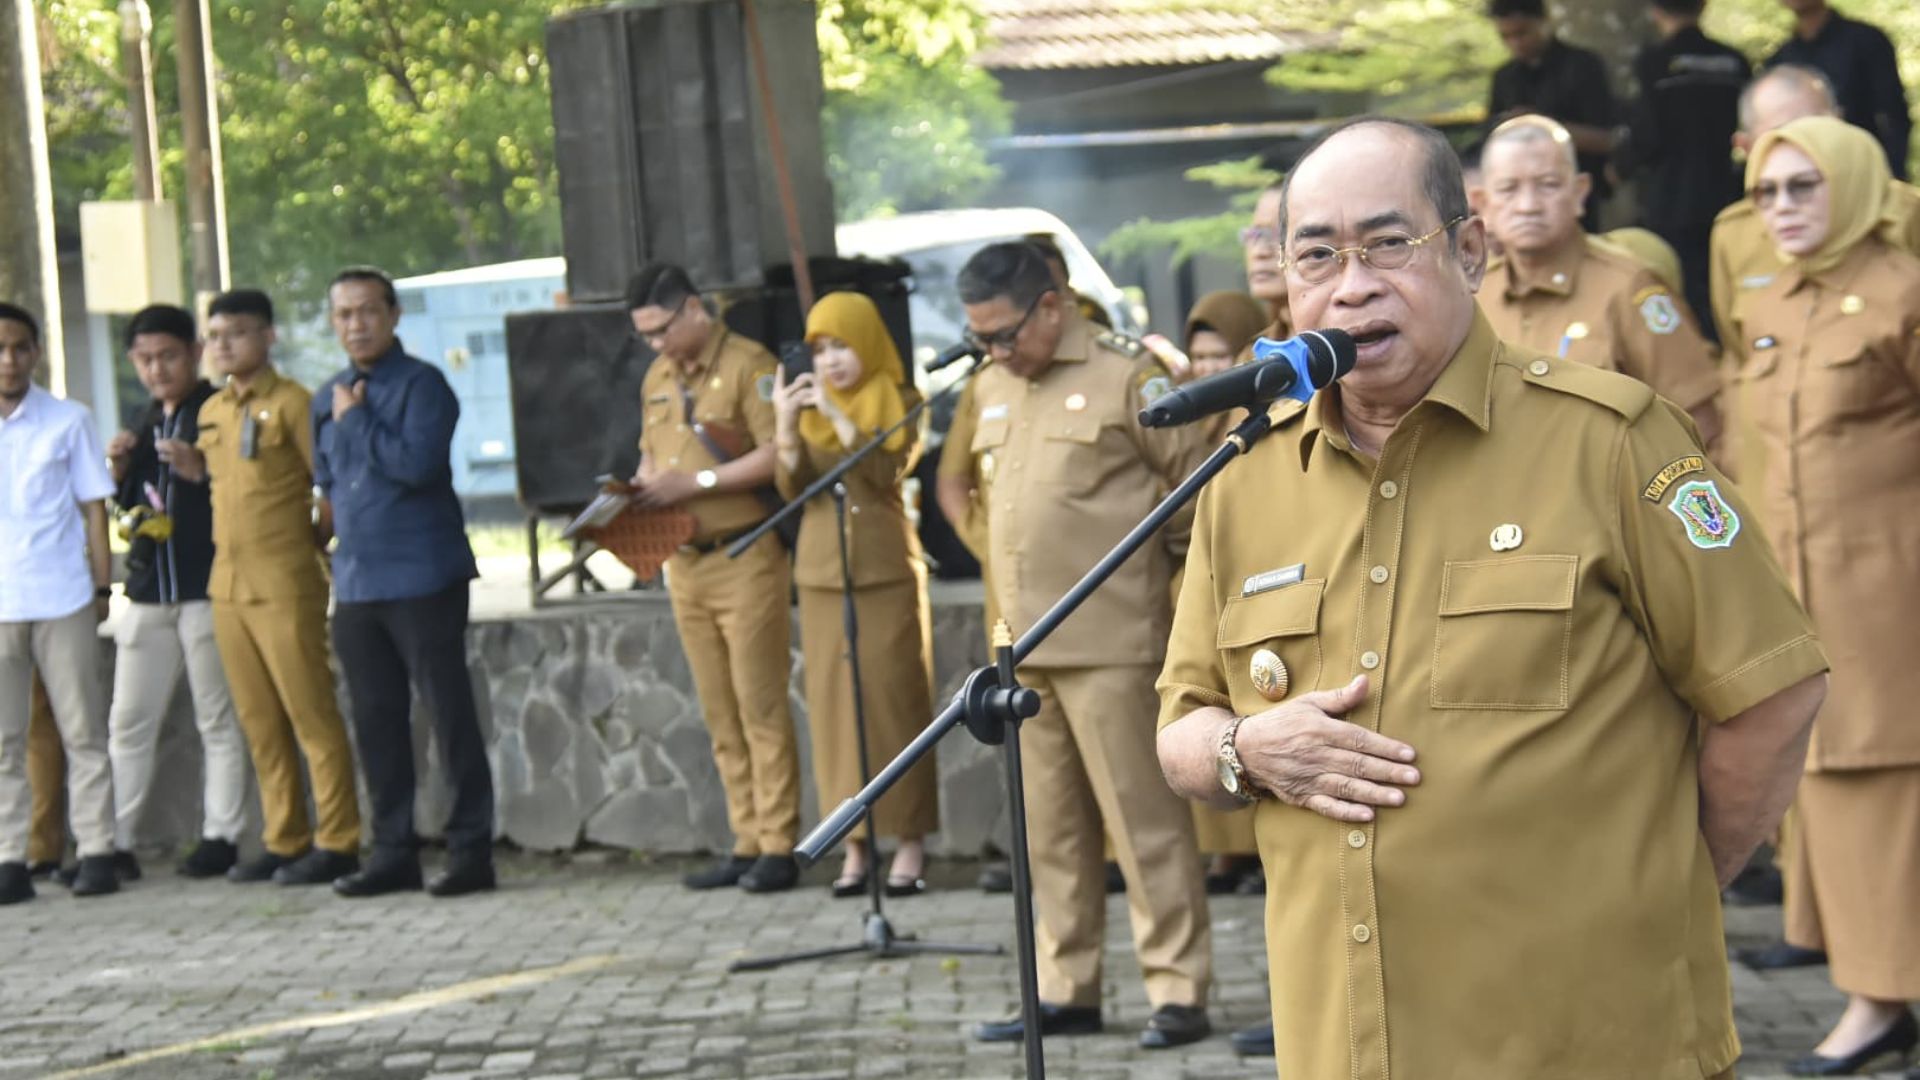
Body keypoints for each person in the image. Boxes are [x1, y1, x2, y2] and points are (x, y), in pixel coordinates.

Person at [1155, 115, 1831, 1080]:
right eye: (1317, 255)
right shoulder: (1244, 481)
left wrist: (1668, 884)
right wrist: (1245, 749)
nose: (1352, 285)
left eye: (1389, 243)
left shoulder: (1611, 440)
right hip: (1350, 1047)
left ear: (1469, 252)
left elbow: (1772, 688)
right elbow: (1181, 726)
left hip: (1593, 1046)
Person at [941, 242, 1216, 1050]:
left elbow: (1198, 491)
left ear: (1052, 305)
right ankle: (1067, 988)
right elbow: (977, 493)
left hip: (1114, 644)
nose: (994, 350)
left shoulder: (1127, 373)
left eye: (1004, 332)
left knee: (1145, 826)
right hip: (1021, 651)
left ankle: (1178, 989)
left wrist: (1169, 598)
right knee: (1050, 833)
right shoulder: (989, 385)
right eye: (980, 336)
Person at [1733, 115, 1920, 1077]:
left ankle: (1879, 1004)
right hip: (1799, 592)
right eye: (1767, 192)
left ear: (1854, 187)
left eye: (1804, 187)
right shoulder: (1772, 298)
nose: (1782, 208)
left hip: (1892, 595)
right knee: (1829, 788)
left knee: (1878, 786)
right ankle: (1874, 989)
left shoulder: (1905, 292)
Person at [313, 267, 495, 899]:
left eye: (368, 311)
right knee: (376, 720)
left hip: (422, 574)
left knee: (448, 715)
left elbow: (418, 466)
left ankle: (471, 851)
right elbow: (328, 485)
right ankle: (393, 851)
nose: (356, 324)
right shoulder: (328, 395)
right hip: (357, 582)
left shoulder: (424, 385)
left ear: (393, 316)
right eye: (344, 314)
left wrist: (357, 423)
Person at [628, 262, 801, 895]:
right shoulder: (657, 377)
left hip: (744, 555)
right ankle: (745, 839)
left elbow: (778, 454)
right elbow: (650, 454)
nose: (656, 344)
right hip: (684, 562)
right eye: (645, 335)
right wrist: (640, 486)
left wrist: (695, 483)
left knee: (760, 704)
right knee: (719, 710)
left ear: (695, 309)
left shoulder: (749, 364)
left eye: (662, 329)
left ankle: (779, 844)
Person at [771, 291, 937, 898]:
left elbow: (884, 472)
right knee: (835, 713)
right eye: (820, 350)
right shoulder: (805, 407)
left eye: (842, 346)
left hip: (884, 570)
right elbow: (791, 488)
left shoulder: (902, 400)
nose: (831, 361)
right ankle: (854, 845)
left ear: (867, 341)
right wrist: (786, 424)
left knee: (896, 706)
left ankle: (910, 839)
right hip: (821, 576)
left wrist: (839, 418)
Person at [198, 289, 364, 886]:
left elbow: (330, 482)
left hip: (286, 580)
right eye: (215, 336)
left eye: (237, 333)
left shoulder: (295, 402)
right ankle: (284, 838)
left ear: (268, 337)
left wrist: (318, 539)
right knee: (259, 721)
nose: (224, 346)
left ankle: (338, 840)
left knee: (310, 712)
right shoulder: (213, 410)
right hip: (228, 584)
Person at [95, 304, 248, 881]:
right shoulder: (140, 421)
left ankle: (221, 836)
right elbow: (129, 508)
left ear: (194, 353)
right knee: (128, 722)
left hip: (206, 587)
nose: (157, 369)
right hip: (146, 592)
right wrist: (116, 474)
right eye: (145, 359)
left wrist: (201, 474)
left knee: (217, 718)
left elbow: (245, 494)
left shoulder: (219, 411)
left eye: (168, 356)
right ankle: (112, 843)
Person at [1477, 114, 1724, 449]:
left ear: (1580, 193)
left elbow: (1700, 425)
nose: (1528, 205)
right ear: (1483, 204)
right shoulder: (1472, 296)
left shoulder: (1629, 287)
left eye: (1548, 185)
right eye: (1508, 189)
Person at [0, 302, 120, 902]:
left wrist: (101, 587)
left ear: (37, 353)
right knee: (4, 740)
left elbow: (95, 510)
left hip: (63, 595)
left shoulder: (70, 420)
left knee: (83, 731)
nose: (9, 360)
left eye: (20, 347)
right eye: (0, 349)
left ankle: (97, 850)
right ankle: (9, 858)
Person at [1179, 290, 1268, 895]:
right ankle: (1223, 854)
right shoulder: (1192, 409)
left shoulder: (1265, 403)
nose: (1209, 367)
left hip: (1254, 576)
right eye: (1200, 356)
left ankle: (1252, 853)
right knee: (1200, 711)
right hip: (1191, 576)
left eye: (1221, 355)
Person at [1611, 0, 1749, 339]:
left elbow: (1646, 133)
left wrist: (1618, 168)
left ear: (1655, 10)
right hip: (1729, 195)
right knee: (1728, 283)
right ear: (1703, 6)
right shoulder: (1735, 61)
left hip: (1671, 198)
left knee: (1675, 289)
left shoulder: (1653, 62)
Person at [1485, 0, 1618, 229]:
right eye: (1505, 36)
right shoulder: (1504, 77)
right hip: (1517, 191)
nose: (1515, 43)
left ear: (1544, 22)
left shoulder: (1582, 65)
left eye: (1522, 33)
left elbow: (1606, 138)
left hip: (1578, 191)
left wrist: (1539, 125)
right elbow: (1490, 136)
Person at [1767, 0, 1911, 180]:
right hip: (1803, 178)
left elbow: (1894, 116)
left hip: (1864, 173)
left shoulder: (1867, 41)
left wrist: (1892, 176)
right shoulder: (1779, 61)